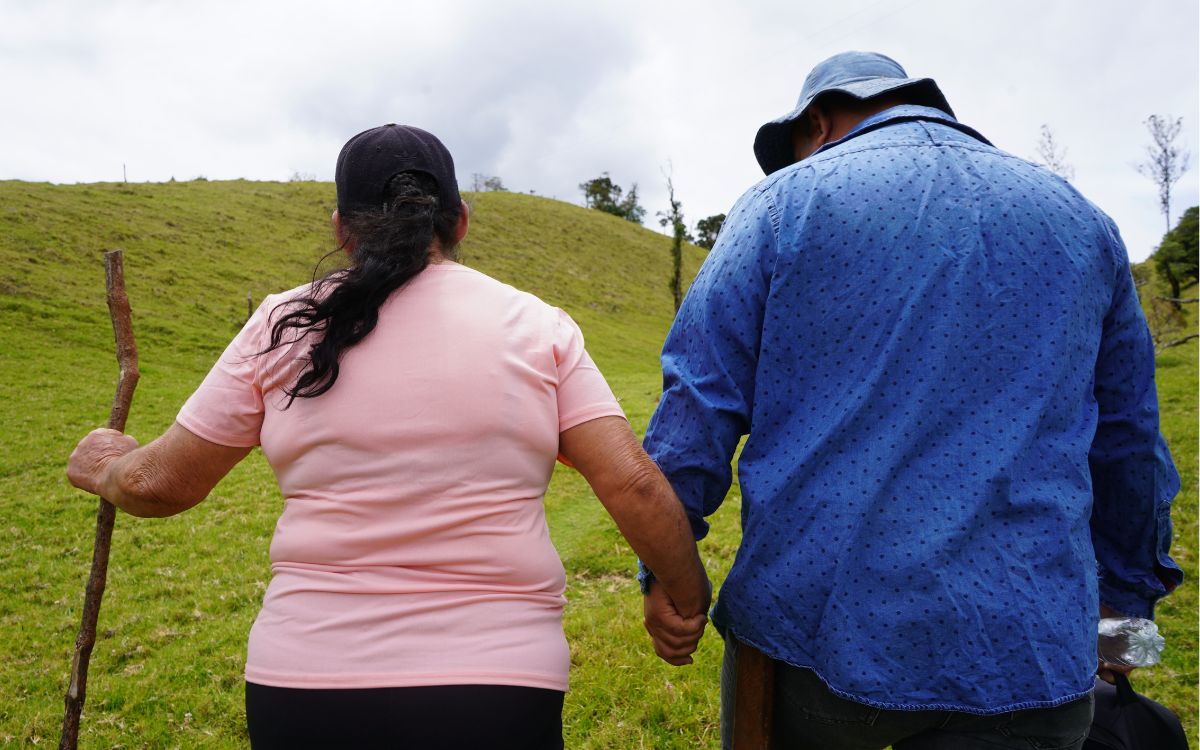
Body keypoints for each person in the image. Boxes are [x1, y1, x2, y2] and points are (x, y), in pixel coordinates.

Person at [67, 123, 711, 749]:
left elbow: (162, 483)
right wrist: (683, 598)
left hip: (305, 688)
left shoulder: (283, 325)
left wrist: (105, 465)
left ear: (342, 229)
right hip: (497, 691)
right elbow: (631, 482)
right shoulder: (538, 327)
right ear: (458, 221)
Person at [638, 51, 1182, 750]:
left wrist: (667, 570)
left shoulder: (782, 205)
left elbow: (696, 406)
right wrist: (1127, 598)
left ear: (820, 120)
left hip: (815, 635)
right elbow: (1130, 438)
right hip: (1027, 642)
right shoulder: (1081, 222)